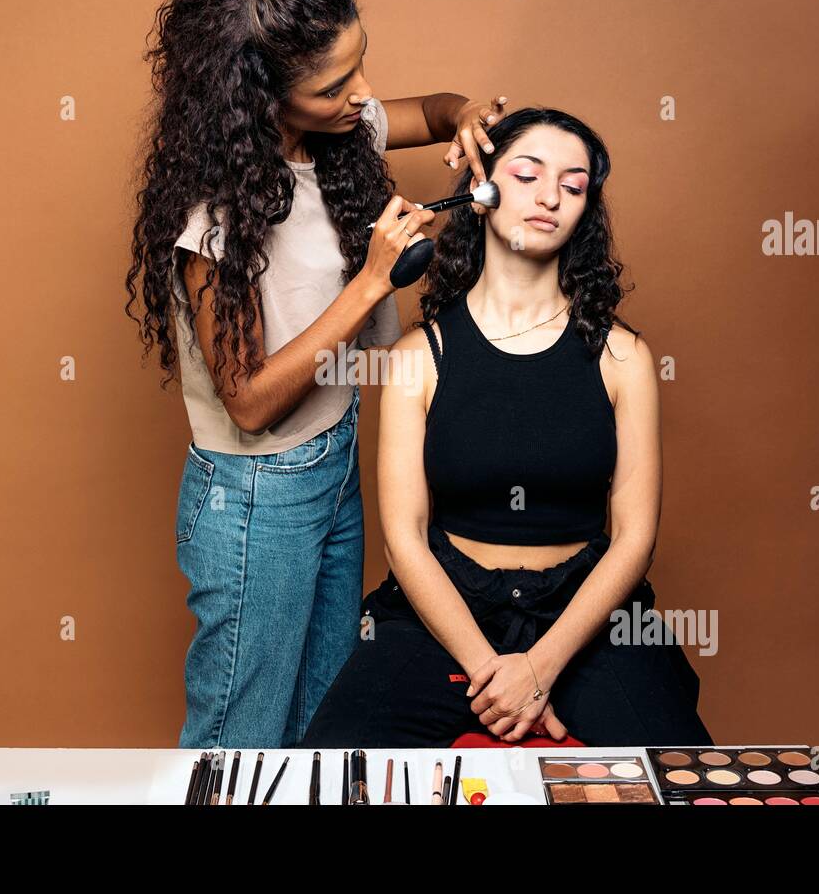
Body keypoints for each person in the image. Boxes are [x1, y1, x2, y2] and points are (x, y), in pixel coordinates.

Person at [126, 0, 511, 748]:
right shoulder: (216, 218)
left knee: (322, 732)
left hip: (332, 466)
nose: (362, 96)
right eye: (335, 84)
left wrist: (470, 117)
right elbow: (253, 402)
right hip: (258, 497)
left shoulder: (336, 132)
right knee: (241, 748)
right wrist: (370, 283)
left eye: (359, 65)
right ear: (257, 91)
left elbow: (437, 108)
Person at [300, 107, 715, 747]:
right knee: (331, 769)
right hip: (443, 611)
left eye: (573, 186)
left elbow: (634, 540)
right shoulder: (417, 358)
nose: (550, 196)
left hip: (584, 615)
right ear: (482, 193)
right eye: (527, 175)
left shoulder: (625, 358)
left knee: (685, 773)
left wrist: (540, 669)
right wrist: (489, 670)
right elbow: (404, 539)